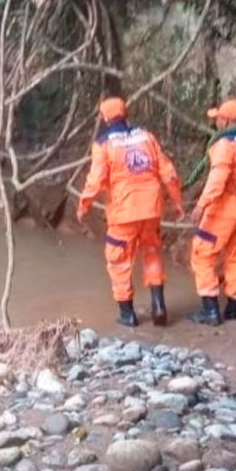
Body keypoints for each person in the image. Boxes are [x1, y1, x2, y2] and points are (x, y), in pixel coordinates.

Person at [77, 97, 184, 327]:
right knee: (152, 253)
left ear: (105, 118)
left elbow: (96, 179)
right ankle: (158, 306)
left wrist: (84, 204)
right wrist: (177, 202)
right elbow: (168, 172)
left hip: (123, 212)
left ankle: (127, 314)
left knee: (118, 261)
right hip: (151, 208)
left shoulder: (103, 144)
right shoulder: (147, 136)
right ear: (125, 114)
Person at [188, 99, 236, 326]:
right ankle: (233, 308)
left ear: (227, 120)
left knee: (202, 255)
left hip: (223, 212)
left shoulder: (224, 146)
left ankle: (211, 311)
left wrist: (202, 205)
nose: (217, 122)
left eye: (218, 118)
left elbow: (218, 179)